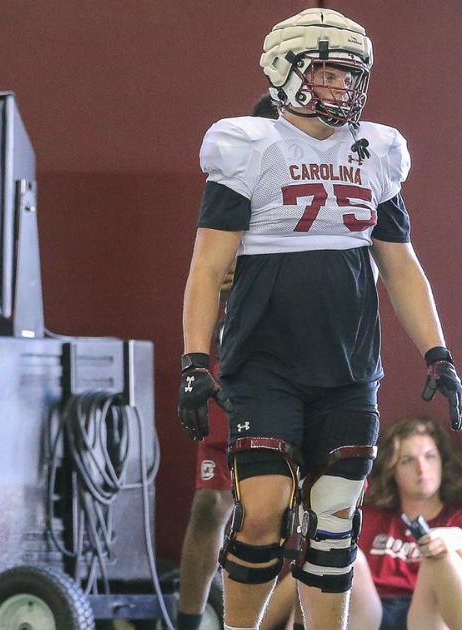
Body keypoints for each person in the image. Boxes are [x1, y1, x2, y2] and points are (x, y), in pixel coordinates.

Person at [177, 8, 462, 630]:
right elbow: (206, 270)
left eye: (350, 75)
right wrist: (196, 360)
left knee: (336, 517)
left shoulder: (376, 151)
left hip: (348, 364)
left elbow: (401, 265)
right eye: (327, 73)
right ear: (285, 73)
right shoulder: (248, 146)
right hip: (265, 362)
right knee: (262, 510)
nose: (342, 88)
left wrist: (438, 353)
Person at [176, 94, 281, 630]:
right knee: (212, 506)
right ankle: (190, 620)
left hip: (302, 365)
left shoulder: (330, 184)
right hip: (236, 360)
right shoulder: (233, 188)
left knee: (296, 512)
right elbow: (210, 274)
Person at [347, 417, 462, 630]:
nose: (422, 468)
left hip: (428, 616)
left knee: (441, 558)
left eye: (430, 457)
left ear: (443, 462)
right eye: (408, 460)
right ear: (392, 470)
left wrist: (451, 538)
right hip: (369, 616)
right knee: (340, 555)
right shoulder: (368, 518)